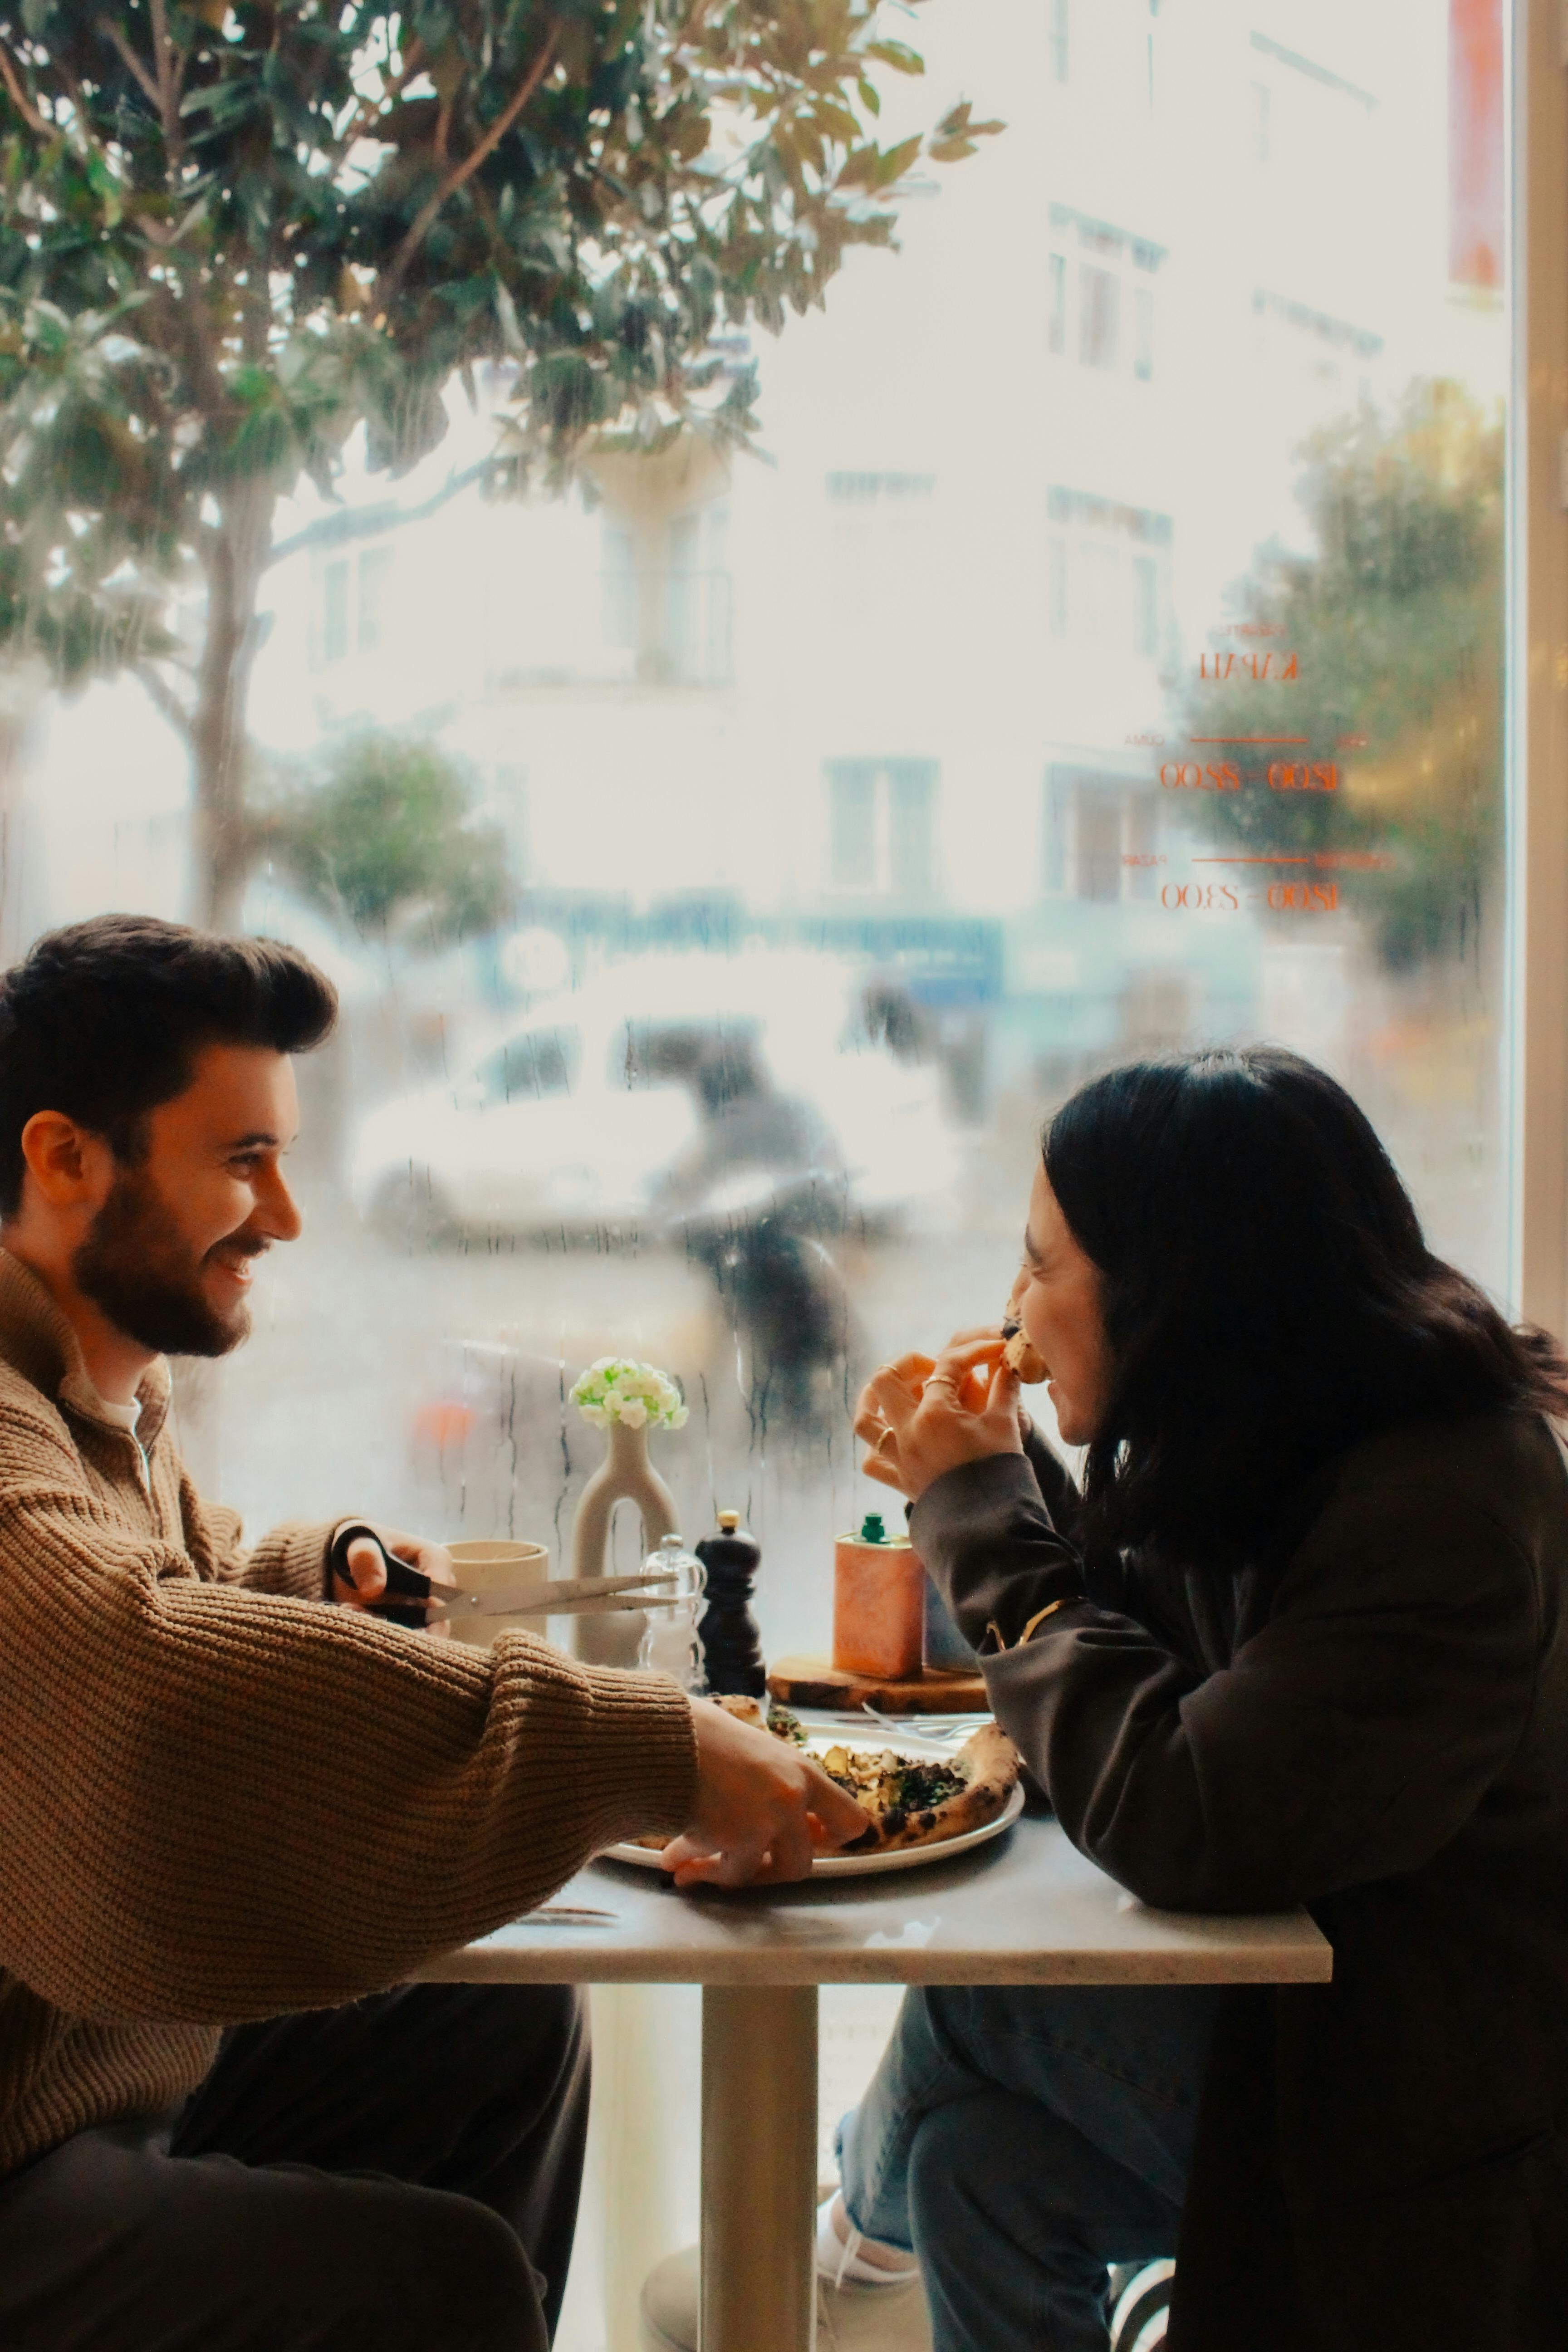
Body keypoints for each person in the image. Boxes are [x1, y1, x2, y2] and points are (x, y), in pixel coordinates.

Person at [0, 914, 866, 2352]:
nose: (284, 1217)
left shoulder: (90, 1392)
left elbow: (182, 1575)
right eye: (241, 1161)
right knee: (440, 2285)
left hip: (81, 2064)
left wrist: (315, 1567)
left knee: (493, 2026)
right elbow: (139, 1687)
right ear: (64, 1158)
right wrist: (648, 1743)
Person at [836, 1047, 1568, 2352]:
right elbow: (1133, 1694)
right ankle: (876, 2224)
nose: (1011, 1305)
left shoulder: (1446, 1502)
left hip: (1429, 2112)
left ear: (1178, 1281)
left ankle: (838, 2251)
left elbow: (1181, 1815)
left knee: (980, 1994)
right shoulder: (1272, 1432)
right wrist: (999, 1488)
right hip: (1307, 2028)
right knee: (975, 2165)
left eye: (1042, 1265)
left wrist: (982, 1514)